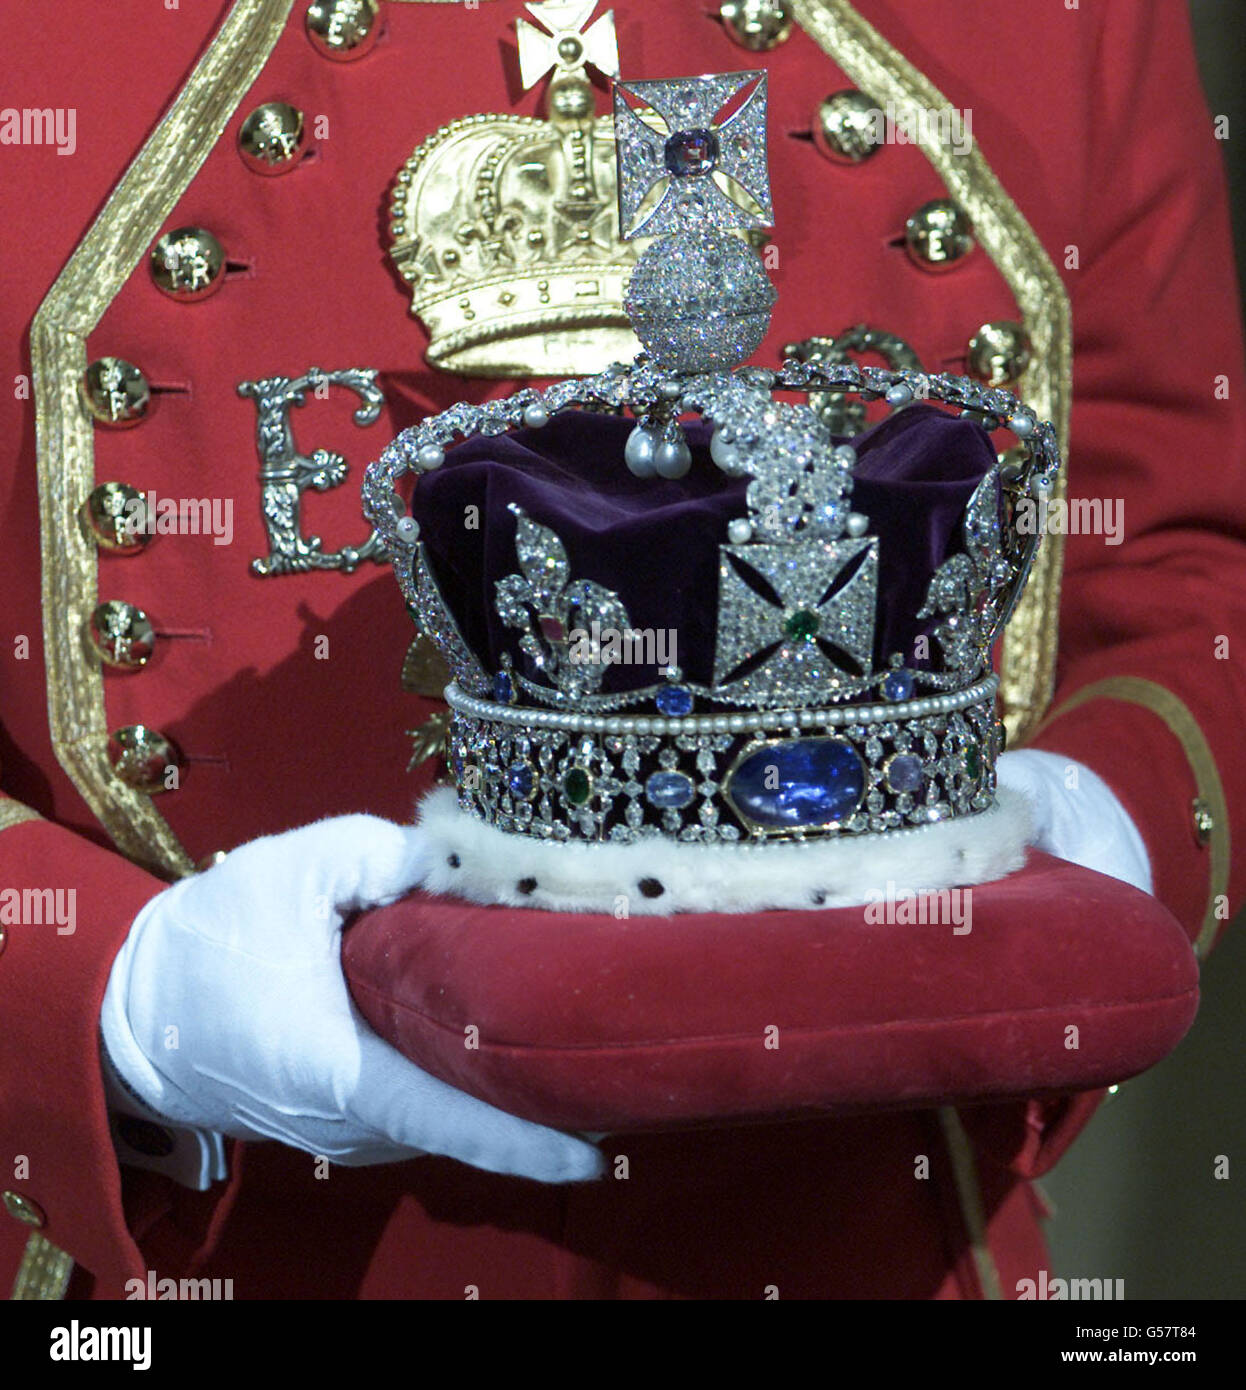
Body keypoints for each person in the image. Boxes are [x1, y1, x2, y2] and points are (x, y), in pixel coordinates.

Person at [1, 0, 1241, 1300]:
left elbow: (1171, 567)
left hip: (881, 1232)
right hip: (175, 1251)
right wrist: (106, 993)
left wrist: (1103, 829)